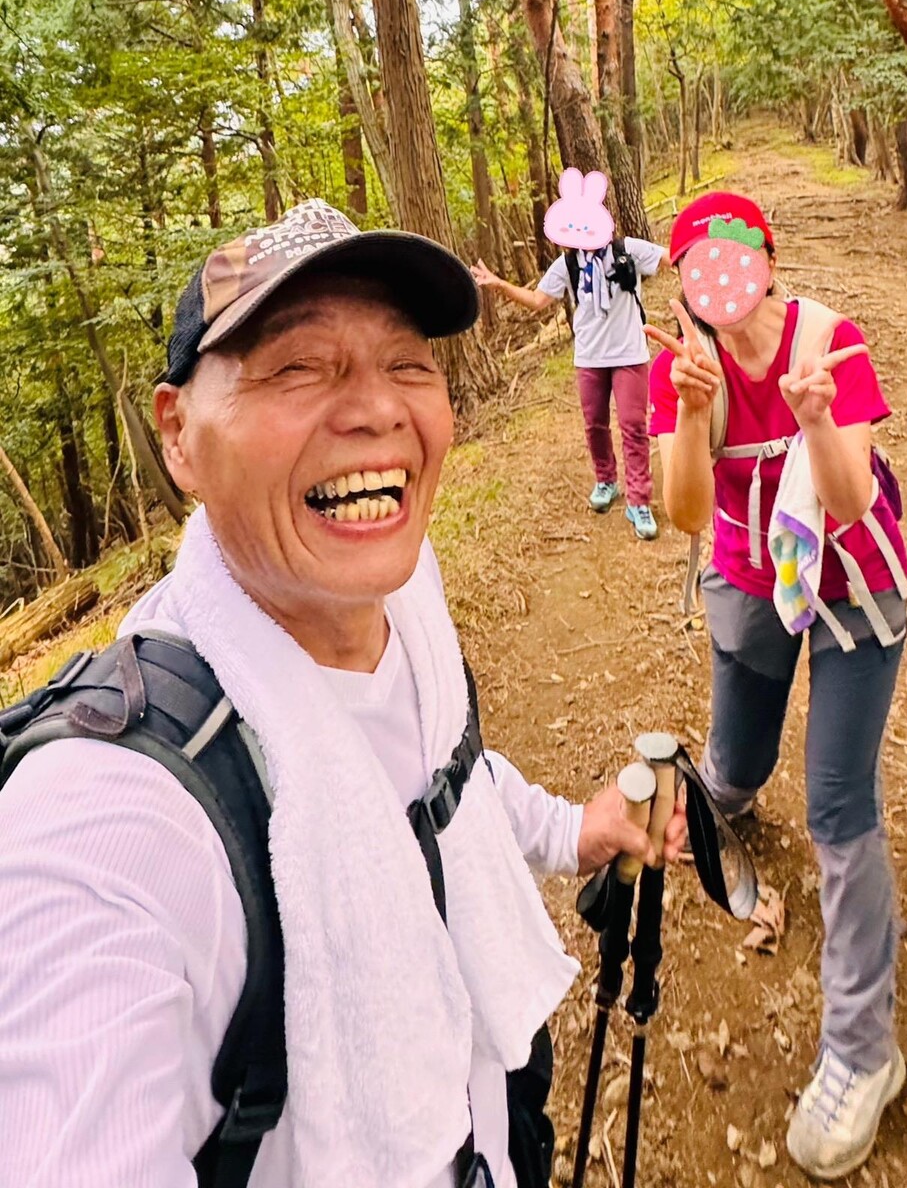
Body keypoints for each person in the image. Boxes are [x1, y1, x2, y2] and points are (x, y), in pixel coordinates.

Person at [0, 199, 685, 1188]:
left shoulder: (405, 593)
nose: (377, 409)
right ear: (179, 435)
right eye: (296, 367)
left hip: (496, 1131)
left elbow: (435, 771)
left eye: (409, 362)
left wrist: (571, 829)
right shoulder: (104, 822)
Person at [645, 191, 907, 1181]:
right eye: (695, 265)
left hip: (853, 584)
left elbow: (845, 503)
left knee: (839, 804)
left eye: (731, 254)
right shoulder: (687, 369)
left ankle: (861, 1050)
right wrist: (688, 407)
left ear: (763, 258)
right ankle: (721, 788)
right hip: (749, 579)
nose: (716, 278)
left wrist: (815, 417)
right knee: (739, 764)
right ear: (683, 285)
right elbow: (681, 513)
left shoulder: (828, 343)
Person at [471, 222, 668, 542]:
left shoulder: (627, 249)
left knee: (633, 425)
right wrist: (500, 285)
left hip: (630, 354)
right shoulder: (568, 264)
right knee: (595, 425)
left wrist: (705, 254)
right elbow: (537, 300)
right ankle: (606, 480)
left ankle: (639, 500)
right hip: (589, 358)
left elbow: (669, 259)